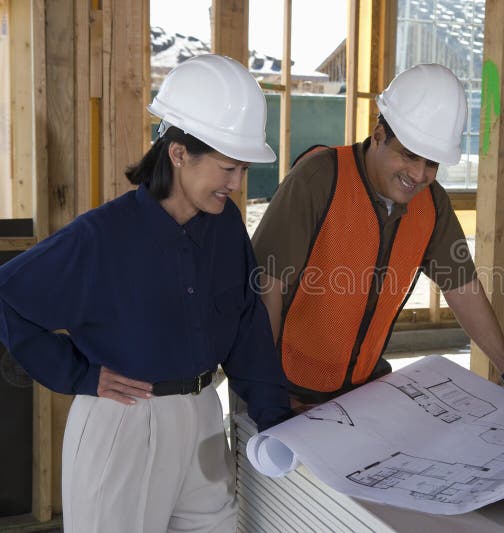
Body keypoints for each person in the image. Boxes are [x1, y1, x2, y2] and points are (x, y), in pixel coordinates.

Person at [0, 54, 290, 532]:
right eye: (228, 168)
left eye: (242, 169)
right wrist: (77, 374)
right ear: (178, 153)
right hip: (123, 423)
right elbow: (8, 297)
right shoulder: (101, 236)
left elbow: (246, 328)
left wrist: (274, 418)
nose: (237, 184)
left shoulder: (225, 227)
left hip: (201, 415)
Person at [251, 63, 504, 409]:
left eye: (432, 163)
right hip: (285, 385)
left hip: (362, 390)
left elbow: (463, 289)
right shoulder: (319, 179)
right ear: (379, 135)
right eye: (409, 155)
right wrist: (265, 389)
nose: (419, 174)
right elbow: (266, 288)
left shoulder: (431, 204)